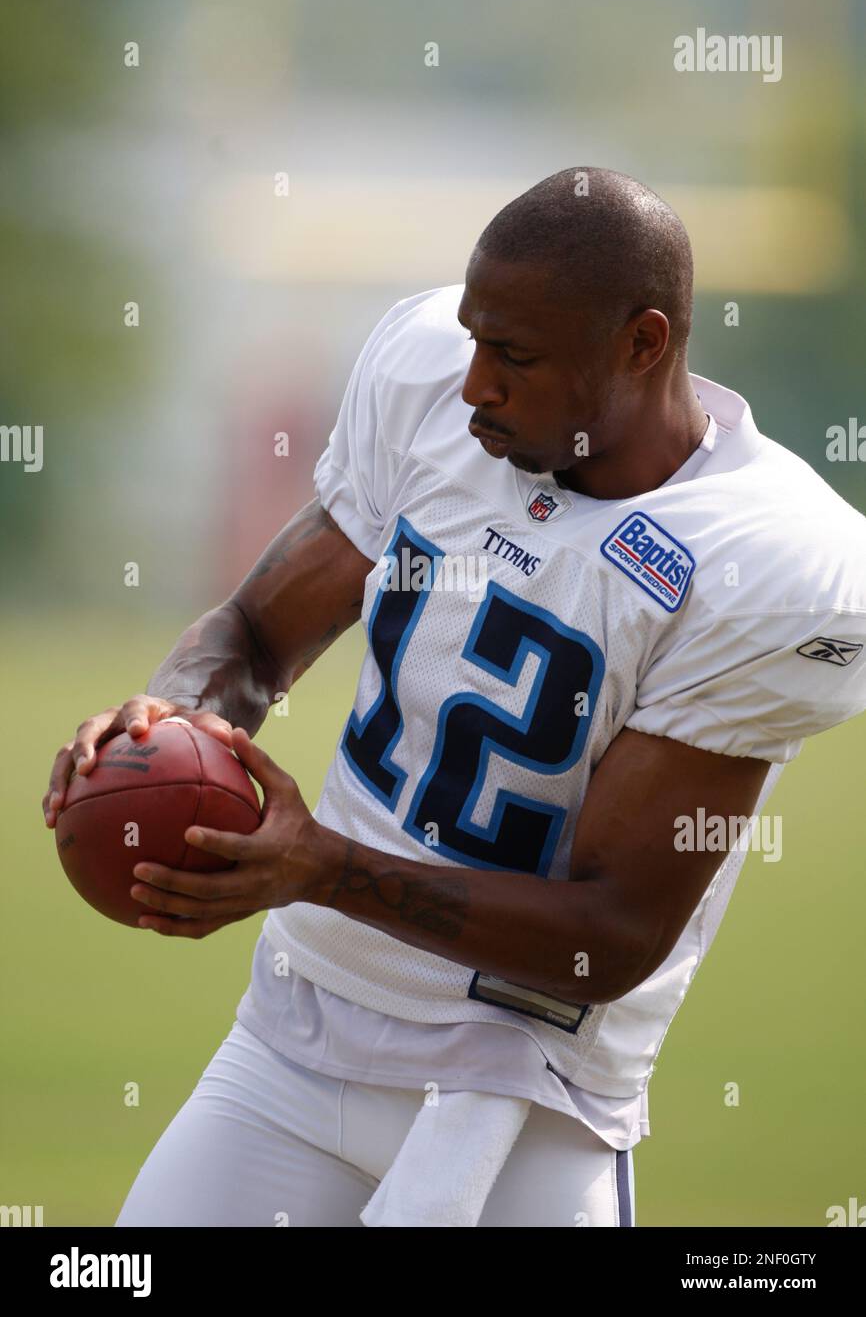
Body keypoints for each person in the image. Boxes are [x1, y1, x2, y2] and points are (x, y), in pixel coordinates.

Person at [44, 167, 866, 1227]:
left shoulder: (766, 557)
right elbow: (251, 635)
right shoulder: (432, 379)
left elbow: (608, 934)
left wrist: (319, 865)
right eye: (476, 338)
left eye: (513, 357)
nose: (473, 381)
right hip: (294, 1039)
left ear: (641, 343)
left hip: (518, 1103)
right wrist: (164, 722)